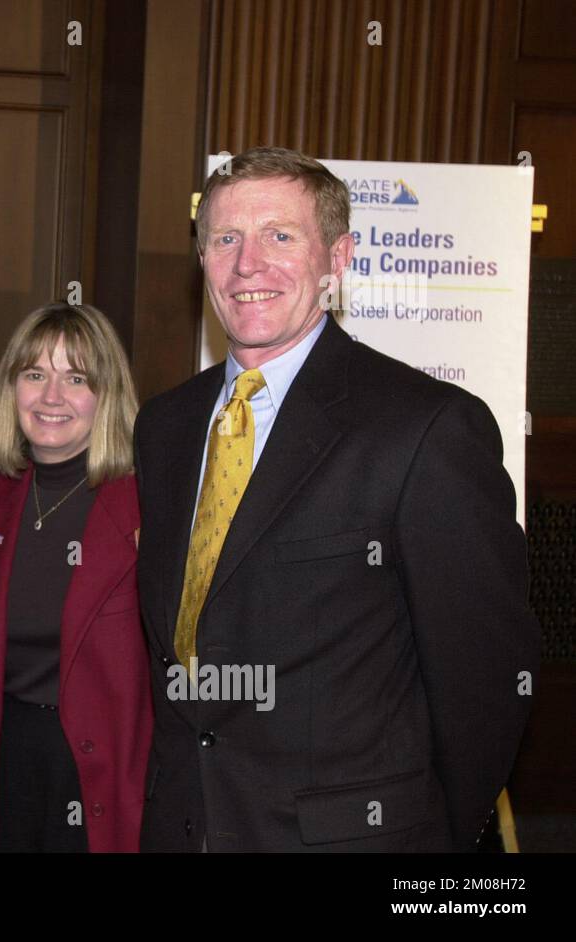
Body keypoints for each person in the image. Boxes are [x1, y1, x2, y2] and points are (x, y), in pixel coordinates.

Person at [134, 146, 539, 852]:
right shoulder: (166, 427)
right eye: (225, 239)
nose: (246, 264)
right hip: (187, 825)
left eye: (279, 236)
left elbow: (488, 679)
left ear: (340, 258)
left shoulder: (424, 427)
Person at [0, 302, 151, 853]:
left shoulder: (148, 507)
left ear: (106, 395)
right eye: (35, 375)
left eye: (76, 379)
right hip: (4, 765)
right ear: (11, 388)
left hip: (106, 779)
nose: (51, 397)